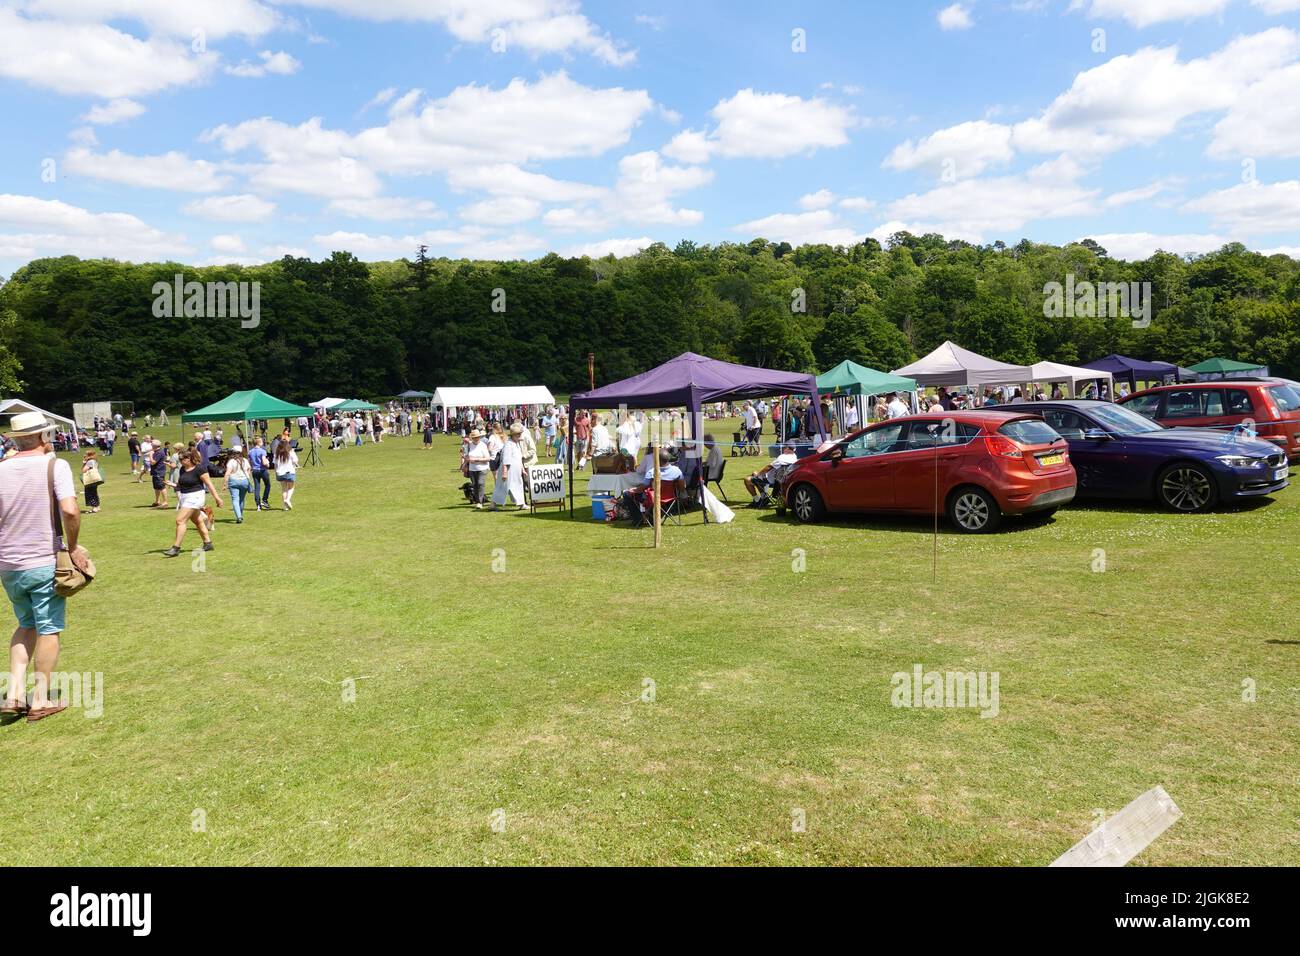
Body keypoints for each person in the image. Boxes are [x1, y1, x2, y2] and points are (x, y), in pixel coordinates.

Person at [0, 413, 90, 722]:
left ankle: (13, 693)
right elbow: (69, 509)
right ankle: (39, 699)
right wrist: (74, 547)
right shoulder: (56, 465)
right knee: (49, 627)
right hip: (43, 560)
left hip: (9, 563)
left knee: (26, 625)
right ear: (44, 436)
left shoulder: (1, 469)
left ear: (14, 438)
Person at [163, 449, 222, 557]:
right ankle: (208, 543)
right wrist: (173, 484)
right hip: (185, 497)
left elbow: (209, 484)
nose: (180, 461)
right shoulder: (182, 469)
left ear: (189, 459)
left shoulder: (199, 469)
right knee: (198, 521)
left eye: (182, 459)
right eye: (179, 459)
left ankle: (176, 548)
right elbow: (182, 485)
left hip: (195, 497)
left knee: (180, 520)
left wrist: (217, 498)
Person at [492, 424, 528, 511]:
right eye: (517, 434)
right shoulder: (508, 444)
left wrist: (523, 470)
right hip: (508, 471)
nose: (519, 435)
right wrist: (505, 473)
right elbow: (506, 459)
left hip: (516, 471)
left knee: (518, 486)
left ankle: (522, 504)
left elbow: (518, 459)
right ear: (513, 435)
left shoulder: (516, 444)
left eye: (520, 434)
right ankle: (493, 504)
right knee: (501, 487)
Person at [224, 444, 252, 523]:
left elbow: (228, 473)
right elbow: (249, 469)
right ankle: (240, 515)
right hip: (244, 481)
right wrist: (247, 476)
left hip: (233, 481)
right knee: (241, 499)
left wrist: (225, 484)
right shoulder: (245, 460)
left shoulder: (231, 462)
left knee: (235, 499)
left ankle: (239, 516)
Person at [463, 428, 490, 509]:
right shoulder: (469, 445)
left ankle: (480, 502)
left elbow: (488, 458)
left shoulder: (483, 445)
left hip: (482, 468)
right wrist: (464, 464)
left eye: (477, 437)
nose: (476, 439)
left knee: (480, 483)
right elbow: (467, 455)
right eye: (474, 437)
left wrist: (476, 459)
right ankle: (477, 500)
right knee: (475, 485)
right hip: (472, 469)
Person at [274, 437, 299, 510]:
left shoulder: (277, 453)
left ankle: (285, 506)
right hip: (289, 471)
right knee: (291, 487)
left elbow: (275, 465)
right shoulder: (290, 451)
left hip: (280, 473)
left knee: (284, 488)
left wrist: (276, 473)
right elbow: (295, 460)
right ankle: (288, 499)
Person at [249, 436, 271, 512]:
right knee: (267, 485)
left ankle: (258, 505)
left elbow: (250, 462)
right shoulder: (262, 451)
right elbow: (264, 462)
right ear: (259, 443)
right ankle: (264, 500)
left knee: (257, 487)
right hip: (262, 470)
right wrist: (268, 464)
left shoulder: (250, 451)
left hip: (254, 470)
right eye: (261, 441)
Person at [79, 448, 104, 513]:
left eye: (86, 454)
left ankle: (94, 507)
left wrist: (84, 463)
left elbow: (84, 470)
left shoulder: (89, 462)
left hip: (90, 479)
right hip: (95, 479)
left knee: (90, 493)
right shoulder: (95, 461)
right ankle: (97, 506)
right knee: (94, 492)